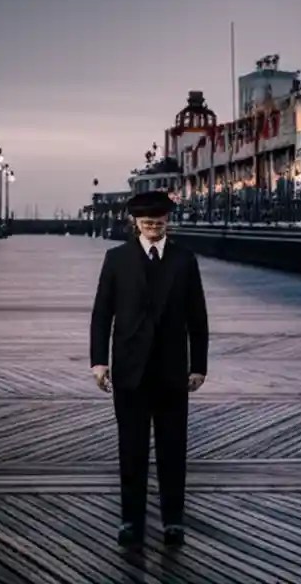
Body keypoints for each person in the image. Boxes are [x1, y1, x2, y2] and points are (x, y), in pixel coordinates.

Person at [89, 189, 209, 548]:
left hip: (172, 370)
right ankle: (131, 521)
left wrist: (199, 365)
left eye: (158, 222)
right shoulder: (116, 259)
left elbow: (197, 316)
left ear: (167, 221)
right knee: (132, 448)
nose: (153, 227)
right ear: (135, 223)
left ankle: (173, 521)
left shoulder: (185, 260)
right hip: (130, 370)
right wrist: (99, 361)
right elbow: (102, 313)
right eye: (146, 222)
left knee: (173, 448)